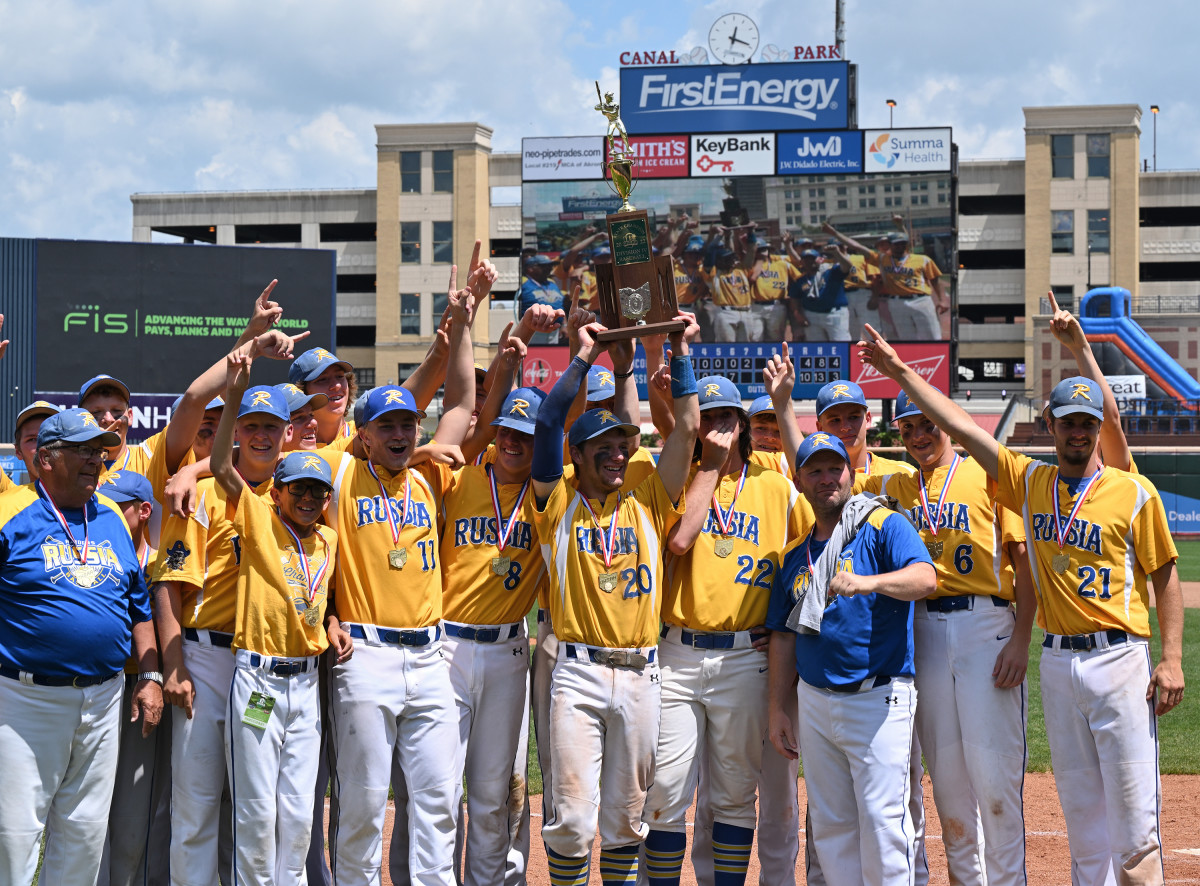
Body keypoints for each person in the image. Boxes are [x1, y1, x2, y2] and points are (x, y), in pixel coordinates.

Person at [859, 325, 1185, 885]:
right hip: (1058, 662)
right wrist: (897, 370)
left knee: (1136, 829)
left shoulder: (1133, 490)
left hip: (1120, 658)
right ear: (1050, 425)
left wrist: (1172, 657)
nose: (1078, 432)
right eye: (1068, 422)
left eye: (1088, 423)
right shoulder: (1031, 482)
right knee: (1083, 826)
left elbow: (1165, 575)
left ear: (1098, 428)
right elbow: (962, 426)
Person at [324, 249, 493, 885]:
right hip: (364, 656)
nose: (400, 433)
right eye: (387, 425)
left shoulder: (427, 479)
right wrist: (437, 346)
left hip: (430, 659)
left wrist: (465, 321)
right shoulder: (341, 473)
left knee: (438, 805)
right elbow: (426, 396)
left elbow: (461, 404)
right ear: (363, 434)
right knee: (364, 808)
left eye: (408, 424)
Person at [530, 314, 699, 885]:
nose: (617, 455)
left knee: (626, 822)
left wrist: (677, 350)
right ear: (577, 455)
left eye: (622, 446)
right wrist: (584, 355)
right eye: (602, 447)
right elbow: (549, 420)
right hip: (577, 673)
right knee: (573, 821)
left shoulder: (647, 499)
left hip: (641, 674)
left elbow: (687, 430)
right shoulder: (556, 501)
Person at [862, 389, 1035, 885]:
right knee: (949, 785)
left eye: (927, 424)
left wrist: (1021, 638)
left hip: (986, 625)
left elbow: (1024, 563)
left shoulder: (986, 474)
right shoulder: (893, 485)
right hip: (923, 630)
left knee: (996, 782)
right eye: (907, 428)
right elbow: (823, 471)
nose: (918, 436)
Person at [641, 376, 804, 886]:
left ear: (743, 425)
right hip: (679, 652)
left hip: (745, 656)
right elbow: (678, 542)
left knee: (735, 795)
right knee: (665, 791)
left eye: (726, 418)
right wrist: (708, 468)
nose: (716, 427)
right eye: (707, 417)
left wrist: (785, 628)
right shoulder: (677, 479)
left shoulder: (775, 487)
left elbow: (811, 556)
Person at [766, 433, 936, 886]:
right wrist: (778, 707)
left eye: (834, 468)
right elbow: (782, 637)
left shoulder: (883, 525)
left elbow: (925, 578)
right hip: (815, 700)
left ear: (851, 474)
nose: (827, 478)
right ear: (799, 481)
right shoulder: (793, 555)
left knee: (884, 827)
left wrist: (870, 582)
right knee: (832, 828)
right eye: (815, 470)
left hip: (877, 696)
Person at [0, 408, 161, 885]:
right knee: (14, 836)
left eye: (100, 451)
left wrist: (150, 675)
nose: (96, 460)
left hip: (105, 697)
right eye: (83, 451)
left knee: (85, 835)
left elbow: (138, 605)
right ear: (45, 459)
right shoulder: (11, 513)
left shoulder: (111, 516)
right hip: (27, 699)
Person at [212, 352, 351, 886]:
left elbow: (320, 600)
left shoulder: (330, 540)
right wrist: (234, 395)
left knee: (297, 816)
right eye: (299, 489)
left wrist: (332, 624)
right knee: (255, 814)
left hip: (307, 685)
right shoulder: (257, 517)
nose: (309, 499)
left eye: (318, 491)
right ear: (278, 492)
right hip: (259, 683)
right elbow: (221, 467)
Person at [154, 381, 294, 886]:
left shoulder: (298, 493)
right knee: (197, 801)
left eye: (271, 426)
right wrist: (174, 665)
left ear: (288, 432)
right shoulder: (203, 494)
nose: (261, 436)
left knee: (258, 807)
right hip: (208, 659)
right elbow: (168, 583)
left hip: (266, 665)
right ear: (235, 431)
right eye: (251, 425)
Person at [439, 387, 546, 886]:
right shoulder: (459, 480)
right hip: (446, 648)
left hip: (507, 651)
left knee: (492, 794)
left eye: (525, 434)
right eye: (505, 431)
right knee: (439, 790)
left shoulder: (548, 497)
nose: (512, 442)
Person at [98, 469, 173, 886]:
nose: (106, 513)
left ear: (144, 511)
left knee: (136, 808)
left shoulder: (161, 562)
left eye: (117, 506)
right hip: (100, 685)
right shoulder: (95, 556)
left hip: (145, 687)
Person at [289, 347, 358, 447]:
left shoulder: (367, 436)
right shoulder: (286, 445)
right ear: (301, 392)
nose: (337, 385)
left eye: (340, 376)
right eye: (322, 380)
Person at [788, 246, 853, 342]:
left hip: (834, 314)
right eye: (806, 259)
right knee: (816, 346)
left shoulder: (831, 272)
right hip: (811, 315)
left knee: (840, 344)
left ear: (820, 260)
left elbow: (848, 267)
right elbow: (794, 298)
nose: (810, 262)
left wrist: (837, 253)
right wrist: (797, 314)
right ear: (801, 262)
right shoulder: (800, 280)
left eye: (812, 259)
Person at [746, 237, 798, 342]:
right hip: (755, 306)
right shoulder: (750, 266)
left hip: (776, 305)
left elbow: (799, 278)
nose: (762, 252)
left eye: (764, 249)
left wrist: (792, 294)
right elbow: (751, 279)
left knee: (776, 339)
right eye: (759, 250)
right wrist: (759, 262)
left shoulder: (782, 263)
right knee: (755, 338)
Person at [518, 255, 566, 344]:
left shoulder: (551, 283)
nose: (549, 268)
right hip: (533, 331)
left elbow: (560, 305)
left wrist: (564, 325)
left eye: (550, 265)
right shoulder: (522, 282)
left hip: (554, 330)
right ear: (530, 269)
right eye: (544, 266)